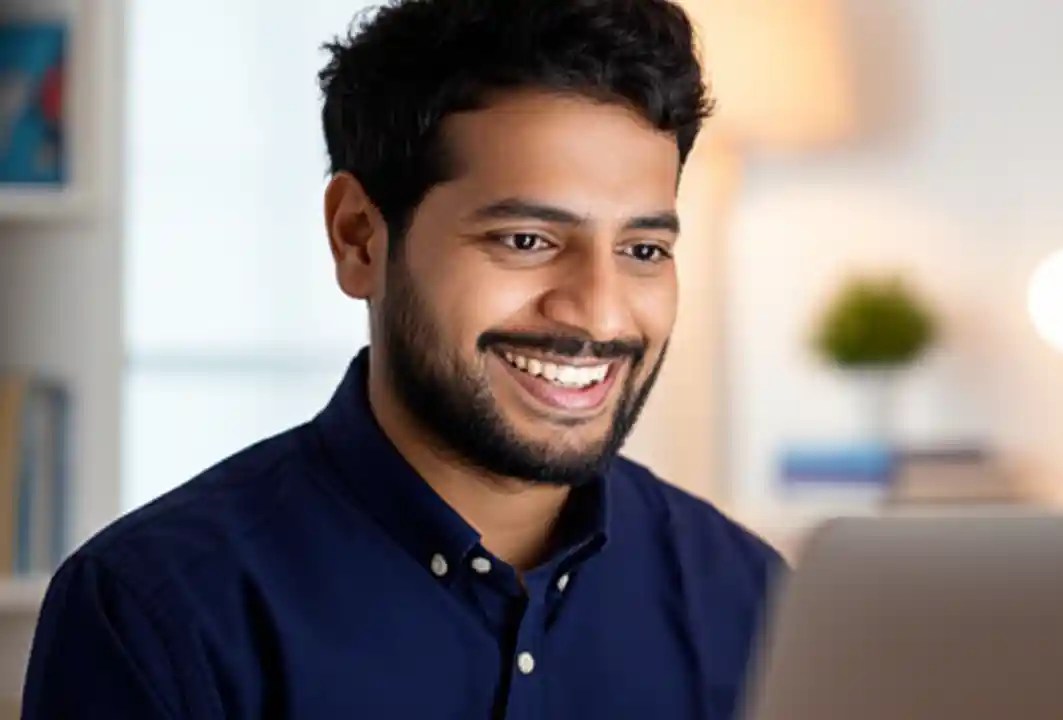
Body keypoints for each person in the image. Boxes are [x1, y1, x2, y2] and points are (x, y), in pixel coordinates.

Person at [22, 1, 784, 718]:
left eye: (643, 249)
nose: (601, 312)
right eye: (526, 241)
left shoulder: (749, 600)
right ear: (359, 237)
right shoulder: (155, 613)